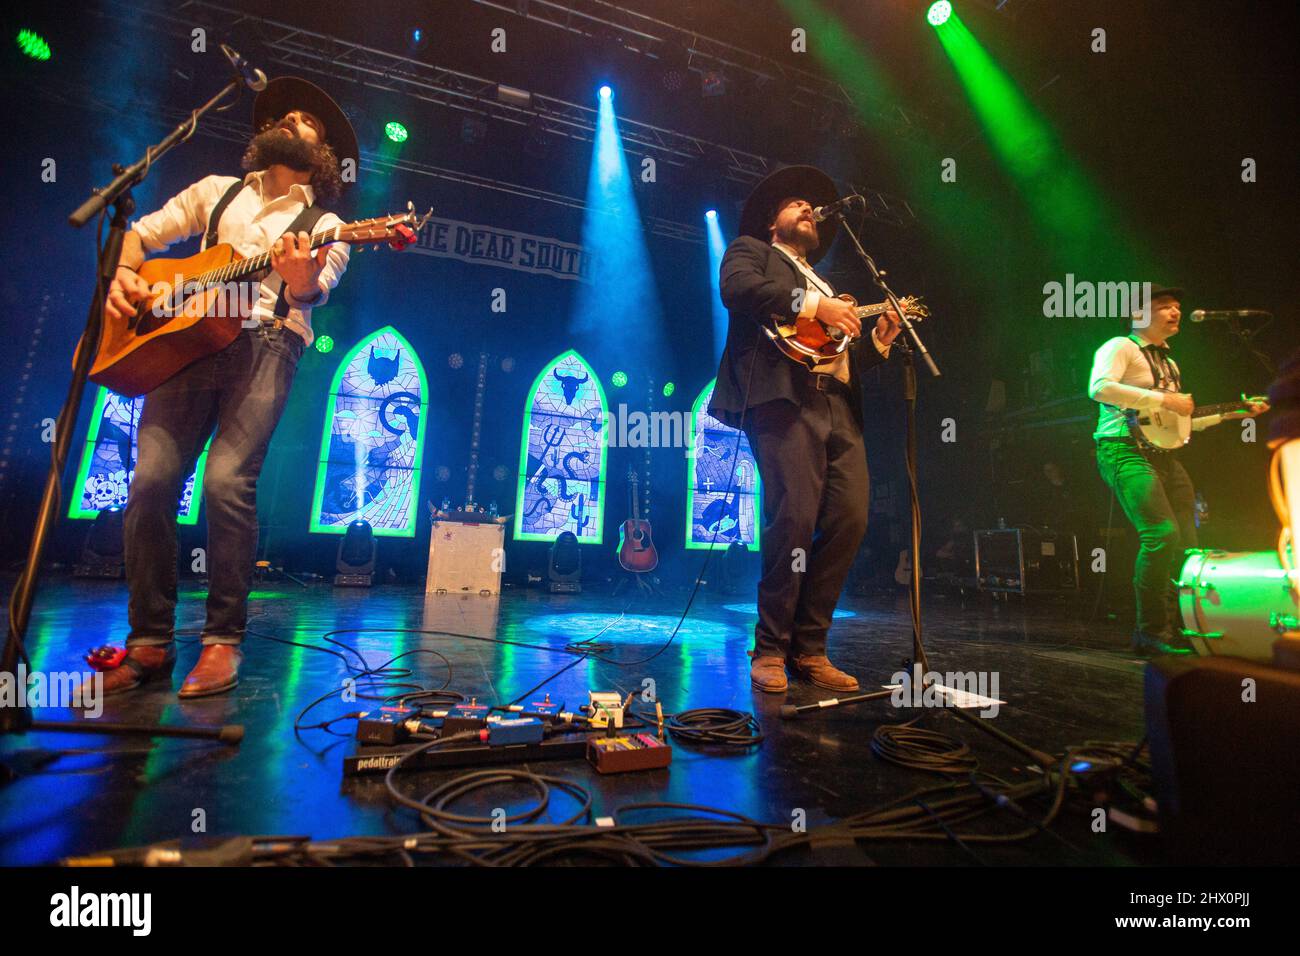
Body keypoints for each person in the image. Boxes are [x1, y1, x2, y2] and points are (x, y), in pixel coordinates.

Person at [93, 77, 357, 697]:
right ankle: (149, 643)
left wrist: (299, 279)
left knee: (225, 480)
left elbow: (314, 293)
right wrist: (125, 273)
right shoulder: (216, 192)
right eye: (284, 114)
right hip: (184, 341)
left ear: (321, 153)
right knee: (152, 481)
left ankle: (221, 643)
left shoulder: (330, 224)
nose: (291, 119)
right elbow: (139, 235)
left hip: (267, 341)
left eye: (306, 121)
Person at [710, 166, 902, 692]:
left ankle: (809, 648)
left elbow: (835, 357)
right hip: (782, 402)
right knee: (792, 517)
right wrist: (816, 305)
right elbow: (737, 289)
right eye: (793, 204)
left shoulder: (830, 285)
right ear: (773, 223)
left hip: (836, 407)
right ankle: (770, 648)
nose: (806, 210)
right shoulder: (752, 251)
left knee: (851, 518)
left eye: (809, 206)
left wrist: (878, 342)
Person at [1088, 285, 1267, 656]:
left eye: (1177, 308)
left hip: (1165, 456)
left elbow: (1180, 424)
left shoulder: (1171, 364)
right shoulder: (1120, 346)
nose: (1175, 312)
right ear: (1140, 314)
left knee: (1187, 543)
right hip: (1124, 450)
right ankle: (1149, 631)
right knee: (1161, 534)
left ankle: (1182, 626)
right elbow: (1100, 388)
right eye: (1165, 306)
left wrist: (1234, 413)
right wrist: (1163, 398)